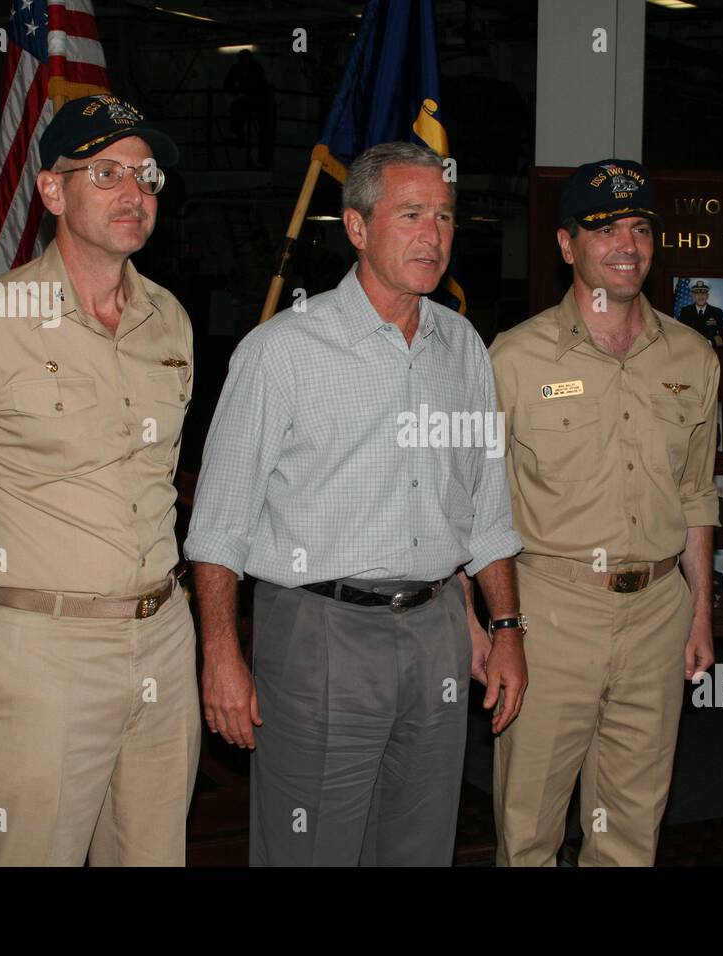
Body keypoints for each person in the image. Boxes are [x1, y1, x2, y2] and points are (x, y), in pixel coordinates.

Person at [184, 141, 527, 867]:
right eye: (410, 214)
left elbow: (486, 512)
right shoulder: (281, 352)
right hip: (318, 632)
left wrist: (508, 631)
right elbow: (217, 527)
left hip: (437, 627)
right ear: (357, 227)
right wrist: (220, 654)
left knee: (419, 844)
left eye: (443, 216)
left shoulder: (463, 347)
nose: (432, 235)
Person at [0, 93, 199, 866]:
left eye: (146, 175)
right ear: (53, 191)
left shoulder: (170, 320)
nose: (135, 192)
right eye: (107, 173)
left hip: (163, 637)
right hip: (45, 648)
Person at [490, 159, 720, 866]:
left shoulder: (691, 355)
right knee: (528, 827)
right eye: (604, 227)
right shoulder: (514, 358)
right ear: (567, 246)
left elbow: (695, 495)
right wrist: (500, 626)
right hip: (552, 610)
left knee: (630, 829)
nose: (627, 242)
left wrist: (702, 612)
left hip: (658, 613)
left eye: (640, 227)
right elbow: (481, 505)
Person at [678, 280, 723, 347]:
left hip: (711, 349)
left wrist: (710, 343)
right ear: (693, 296)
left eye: (703, 293)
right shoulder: (685, 311)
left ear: (707, 296)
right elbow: (680, 333)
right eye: (697, 294)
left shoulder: (717, 312)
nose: (700, 296)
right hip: (690, 348)